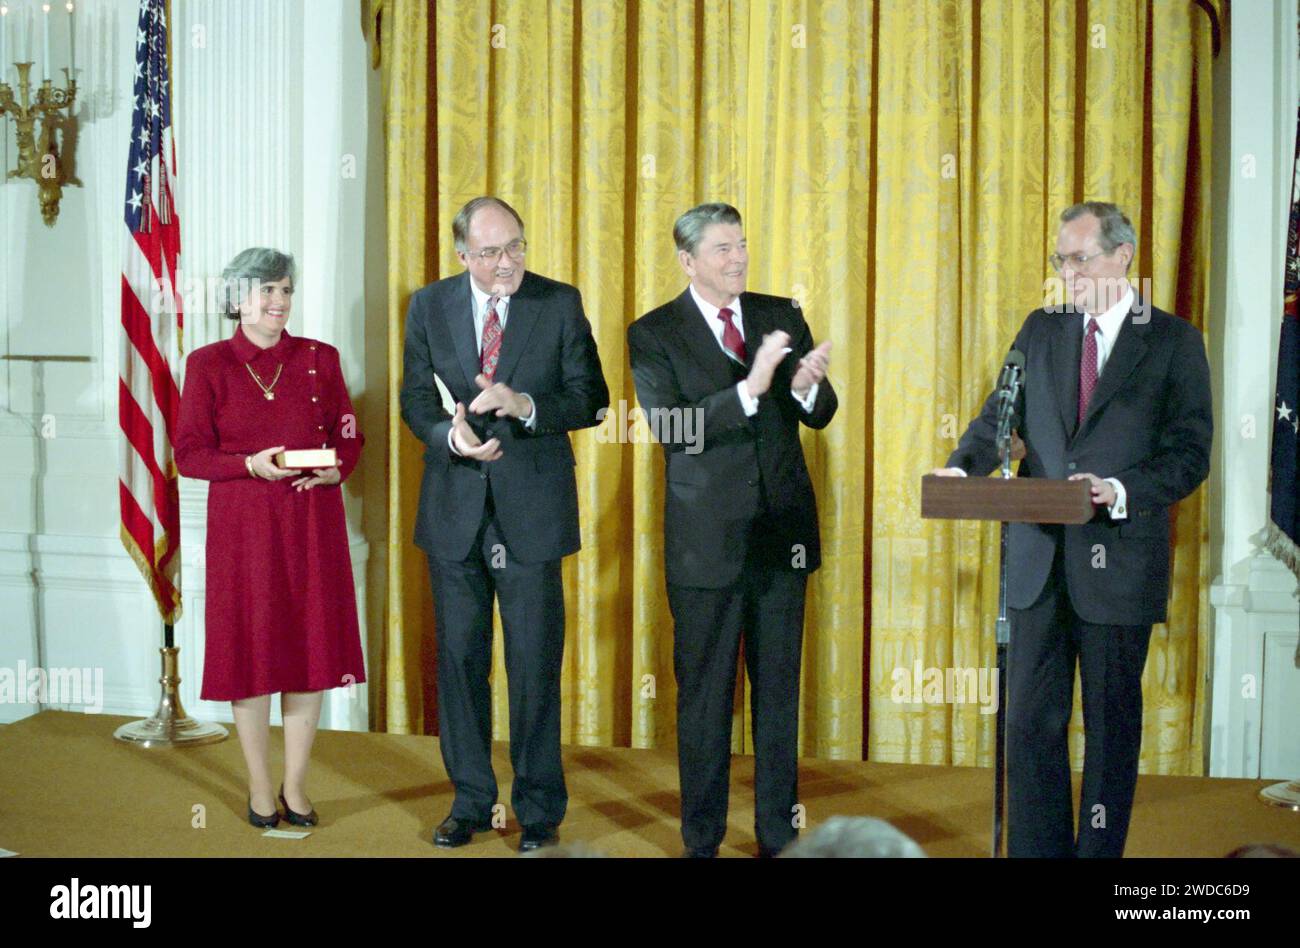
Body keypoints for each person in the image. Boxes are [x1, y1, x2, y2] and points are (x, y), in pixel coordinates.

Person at [932, 201, 1213, 857]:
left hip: (1117, 562)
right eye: (1061, 259)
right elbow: (999, 418)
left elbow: (1189, 454)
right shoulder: (1041, 328)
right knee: (1030, 723)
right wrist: (958, 469)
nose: (1068, 272)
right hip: (1037, 561)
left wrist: (1116, 490)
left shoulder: (1172, 341)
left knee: (1111, 728)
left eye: (1080, 258)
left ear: (1123, 256)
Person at [627, 202, 837, 858]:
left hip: (782, 539)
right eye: (722, 249)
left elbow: (821, 411)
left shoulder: (781, 315)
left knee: (779, 702)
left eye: (741, 244)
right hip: (705, 547)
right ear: (688, 260)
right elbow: (674, 429)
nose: (738, 258)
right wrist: (749, 389)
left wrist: (804, 387)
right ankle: (703, 842)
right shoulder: (652, 332)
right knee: (706, 703)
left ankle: (779, 837)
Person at [400, 196, 608, 853]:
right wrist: (449, 438)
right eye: (490, 252)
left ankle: (540, 812)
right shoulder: (428, 305)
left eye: (515, 246)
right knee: (460, 663)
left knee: (533, 664)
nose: (506, 263)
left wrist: (524, 404)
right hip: (455, 510)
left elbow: (592, 398)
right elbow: (412, 397)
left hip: (532, 513)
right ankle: (469, 801)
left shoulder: (559, 302)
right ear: (462, 255)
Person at [175, 247, 366, 829]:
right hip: (244, 526)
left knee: (310, 652)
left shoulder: (319, 358)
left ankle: (296, 785)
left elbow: (348, 432)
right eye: (265, 291)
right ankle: (260, 788)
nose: (278, 302)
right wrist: (249, 466)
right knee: (252, 653)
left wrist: (342, 466)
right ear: (237, 298)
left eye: (285, 290)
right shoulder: (207, 364)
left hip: (313, 520)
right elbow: (189, 454)